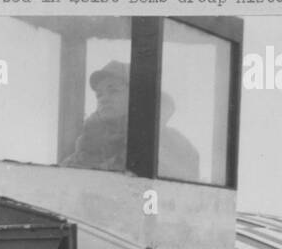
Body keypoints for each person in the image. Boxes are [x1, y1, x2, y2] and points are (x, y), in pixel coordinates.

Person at [60, 59, 200, 181]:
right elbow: (61, 179)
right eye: (99, 95)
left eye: (113, 91)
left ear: (136, 95)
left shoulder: (168, 141)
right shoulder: (89, 141)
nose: (104, 99)